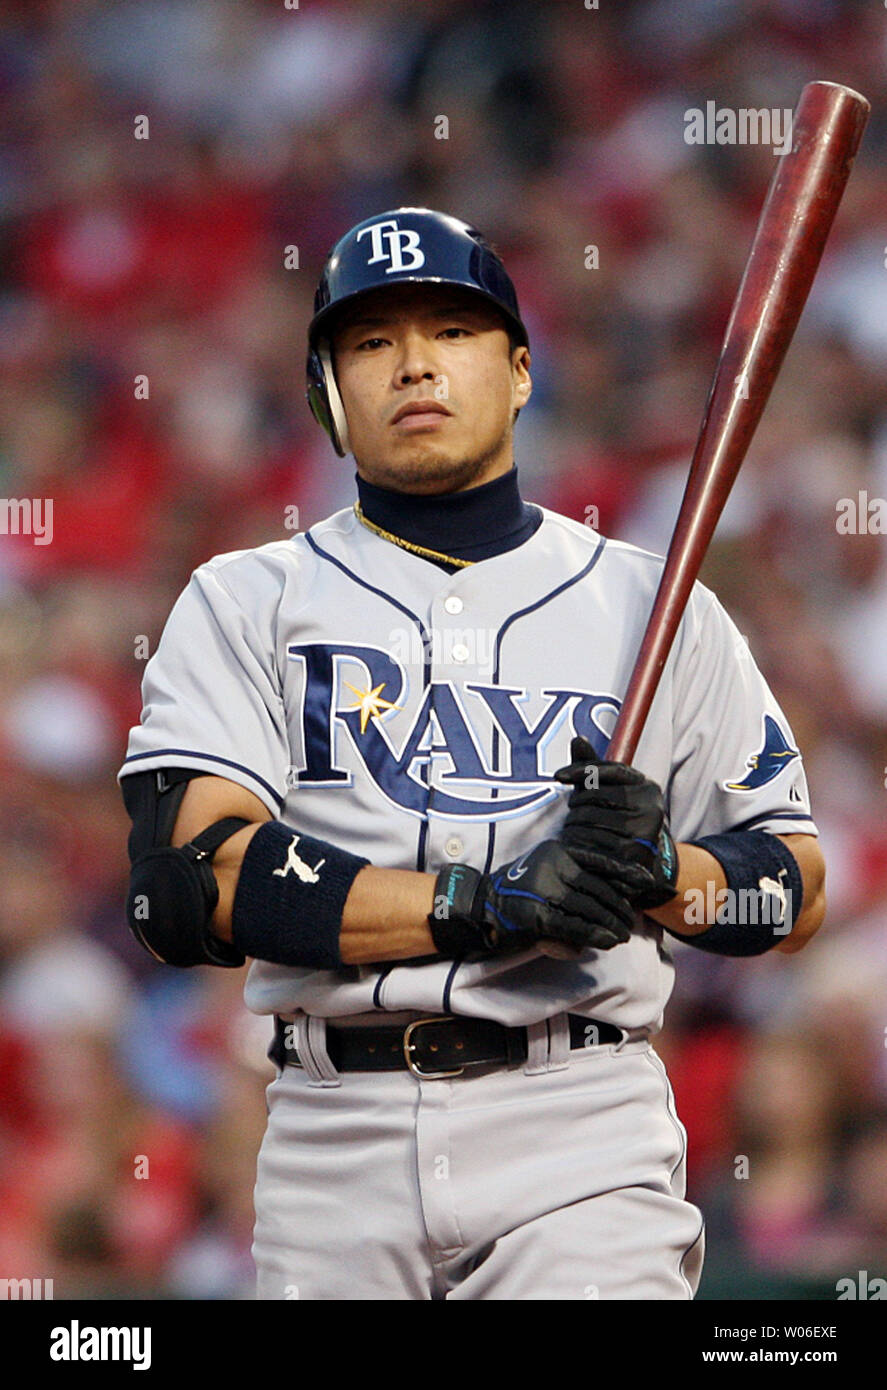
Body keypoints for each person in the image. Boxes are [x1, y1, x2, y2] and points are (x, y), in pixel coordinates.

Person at [118, 207, 826, 1300]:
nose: (412, 364)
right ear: (329, 399)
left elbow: (788, 888)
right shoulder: (245, 600)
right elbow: (191, 887)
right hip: (330, 1139)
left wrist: (665, 878)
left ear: (519, 368)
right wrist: (480, 904)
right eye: (368, 341)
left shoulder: (656, 603)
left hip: (577, 1125)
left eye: (449, 330)